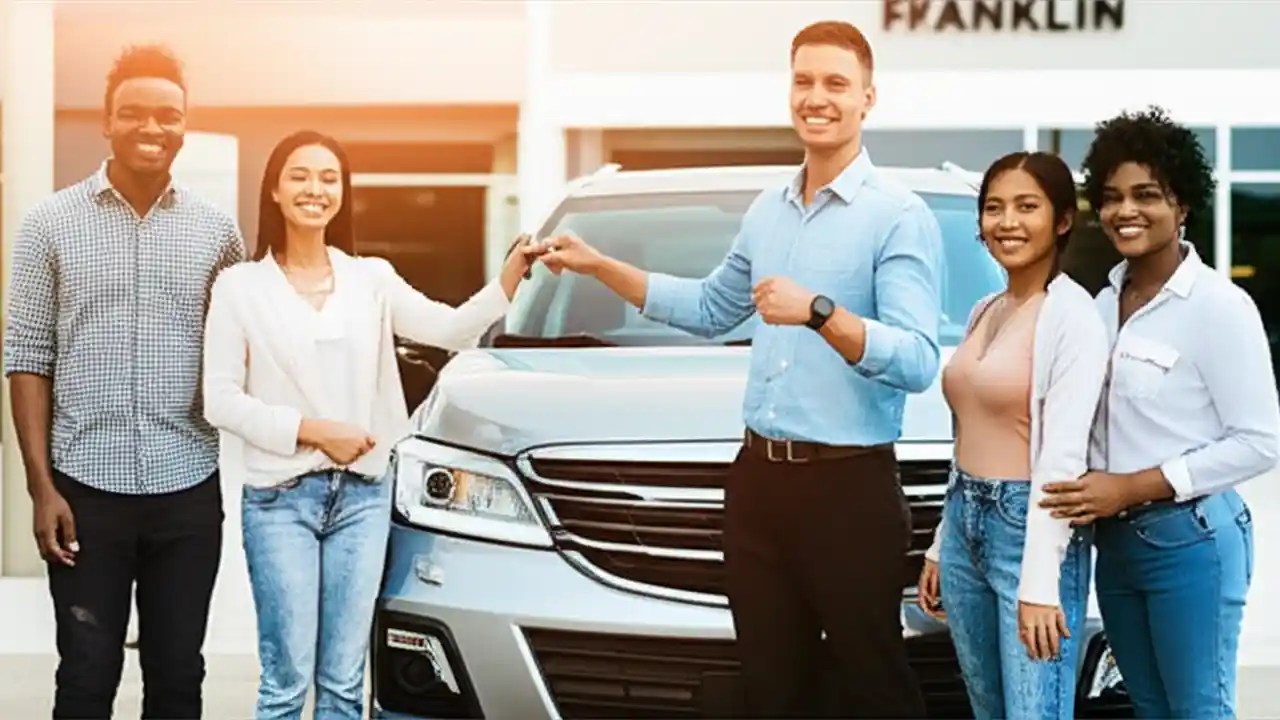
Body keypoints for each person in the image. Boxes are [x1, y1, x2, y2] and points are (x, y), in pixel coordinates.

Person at [531, 20, 939, 718]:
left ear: (868, 97)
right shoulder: (767, 211)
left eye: (836, 84)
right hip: (756, 487)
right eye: (803, 80)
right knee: (770, 686)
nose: (817, 97)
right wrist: (600, 266)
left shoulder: (897, 216)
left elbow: (917, 360)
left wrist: (818, 311)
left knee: (873, 686)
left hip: (849, 491)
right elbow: (709, 306)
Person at [201, 130, 541, 720]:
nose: (316, 189)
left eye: (329, 178)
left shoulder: (371, 280)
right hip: (280, 500)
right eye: (300, 176)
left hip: (363, 497)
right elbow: (221, 400)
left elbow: (453, 330)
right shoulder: (240, 287)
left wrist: (510, 275)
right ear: (275, 191)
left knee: (343, 681)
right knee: (285, 683)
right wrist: (312, 429)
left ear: (343, 193)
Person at [3, 45, 244, 719]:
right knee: (85, 676)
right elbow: (26, 357)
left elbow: (248, 348)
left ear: (185, 126)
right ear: (105, 123)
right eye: (133, 113)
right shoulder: (48, 225)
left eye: (168, 115)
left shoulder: (218, 234)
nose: (152, 128)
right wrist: (40, 486)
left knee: (177, 678)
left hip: (186, 489)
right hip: (83, 492)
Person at [1039, 106, 1280, 719]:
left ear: (1183, 205)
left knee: (1199, 710)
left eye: (1147, 195)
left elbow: (1260, 440)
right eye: (1114, 196)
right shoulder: (1098, 304)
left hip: (1190, 541)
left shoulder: (1219, 306)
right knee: (1147, 709)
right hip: (1115, 549)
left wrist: (1132, 487)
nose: (1126, 211)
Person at [915, 152, 1110, 719]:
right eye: (994, 208)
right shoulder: (984, 309)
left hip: (1030, 528)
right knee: (990, 710)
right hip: (965, 524)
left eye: (1028, 207)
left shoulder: (1073, 317)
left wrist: (1041, 583)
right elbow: (966, 438)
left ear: (1062, 220)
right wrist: (938, 543)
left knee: (1035, 712)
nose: (1008, 222)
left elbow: (1063, 457)